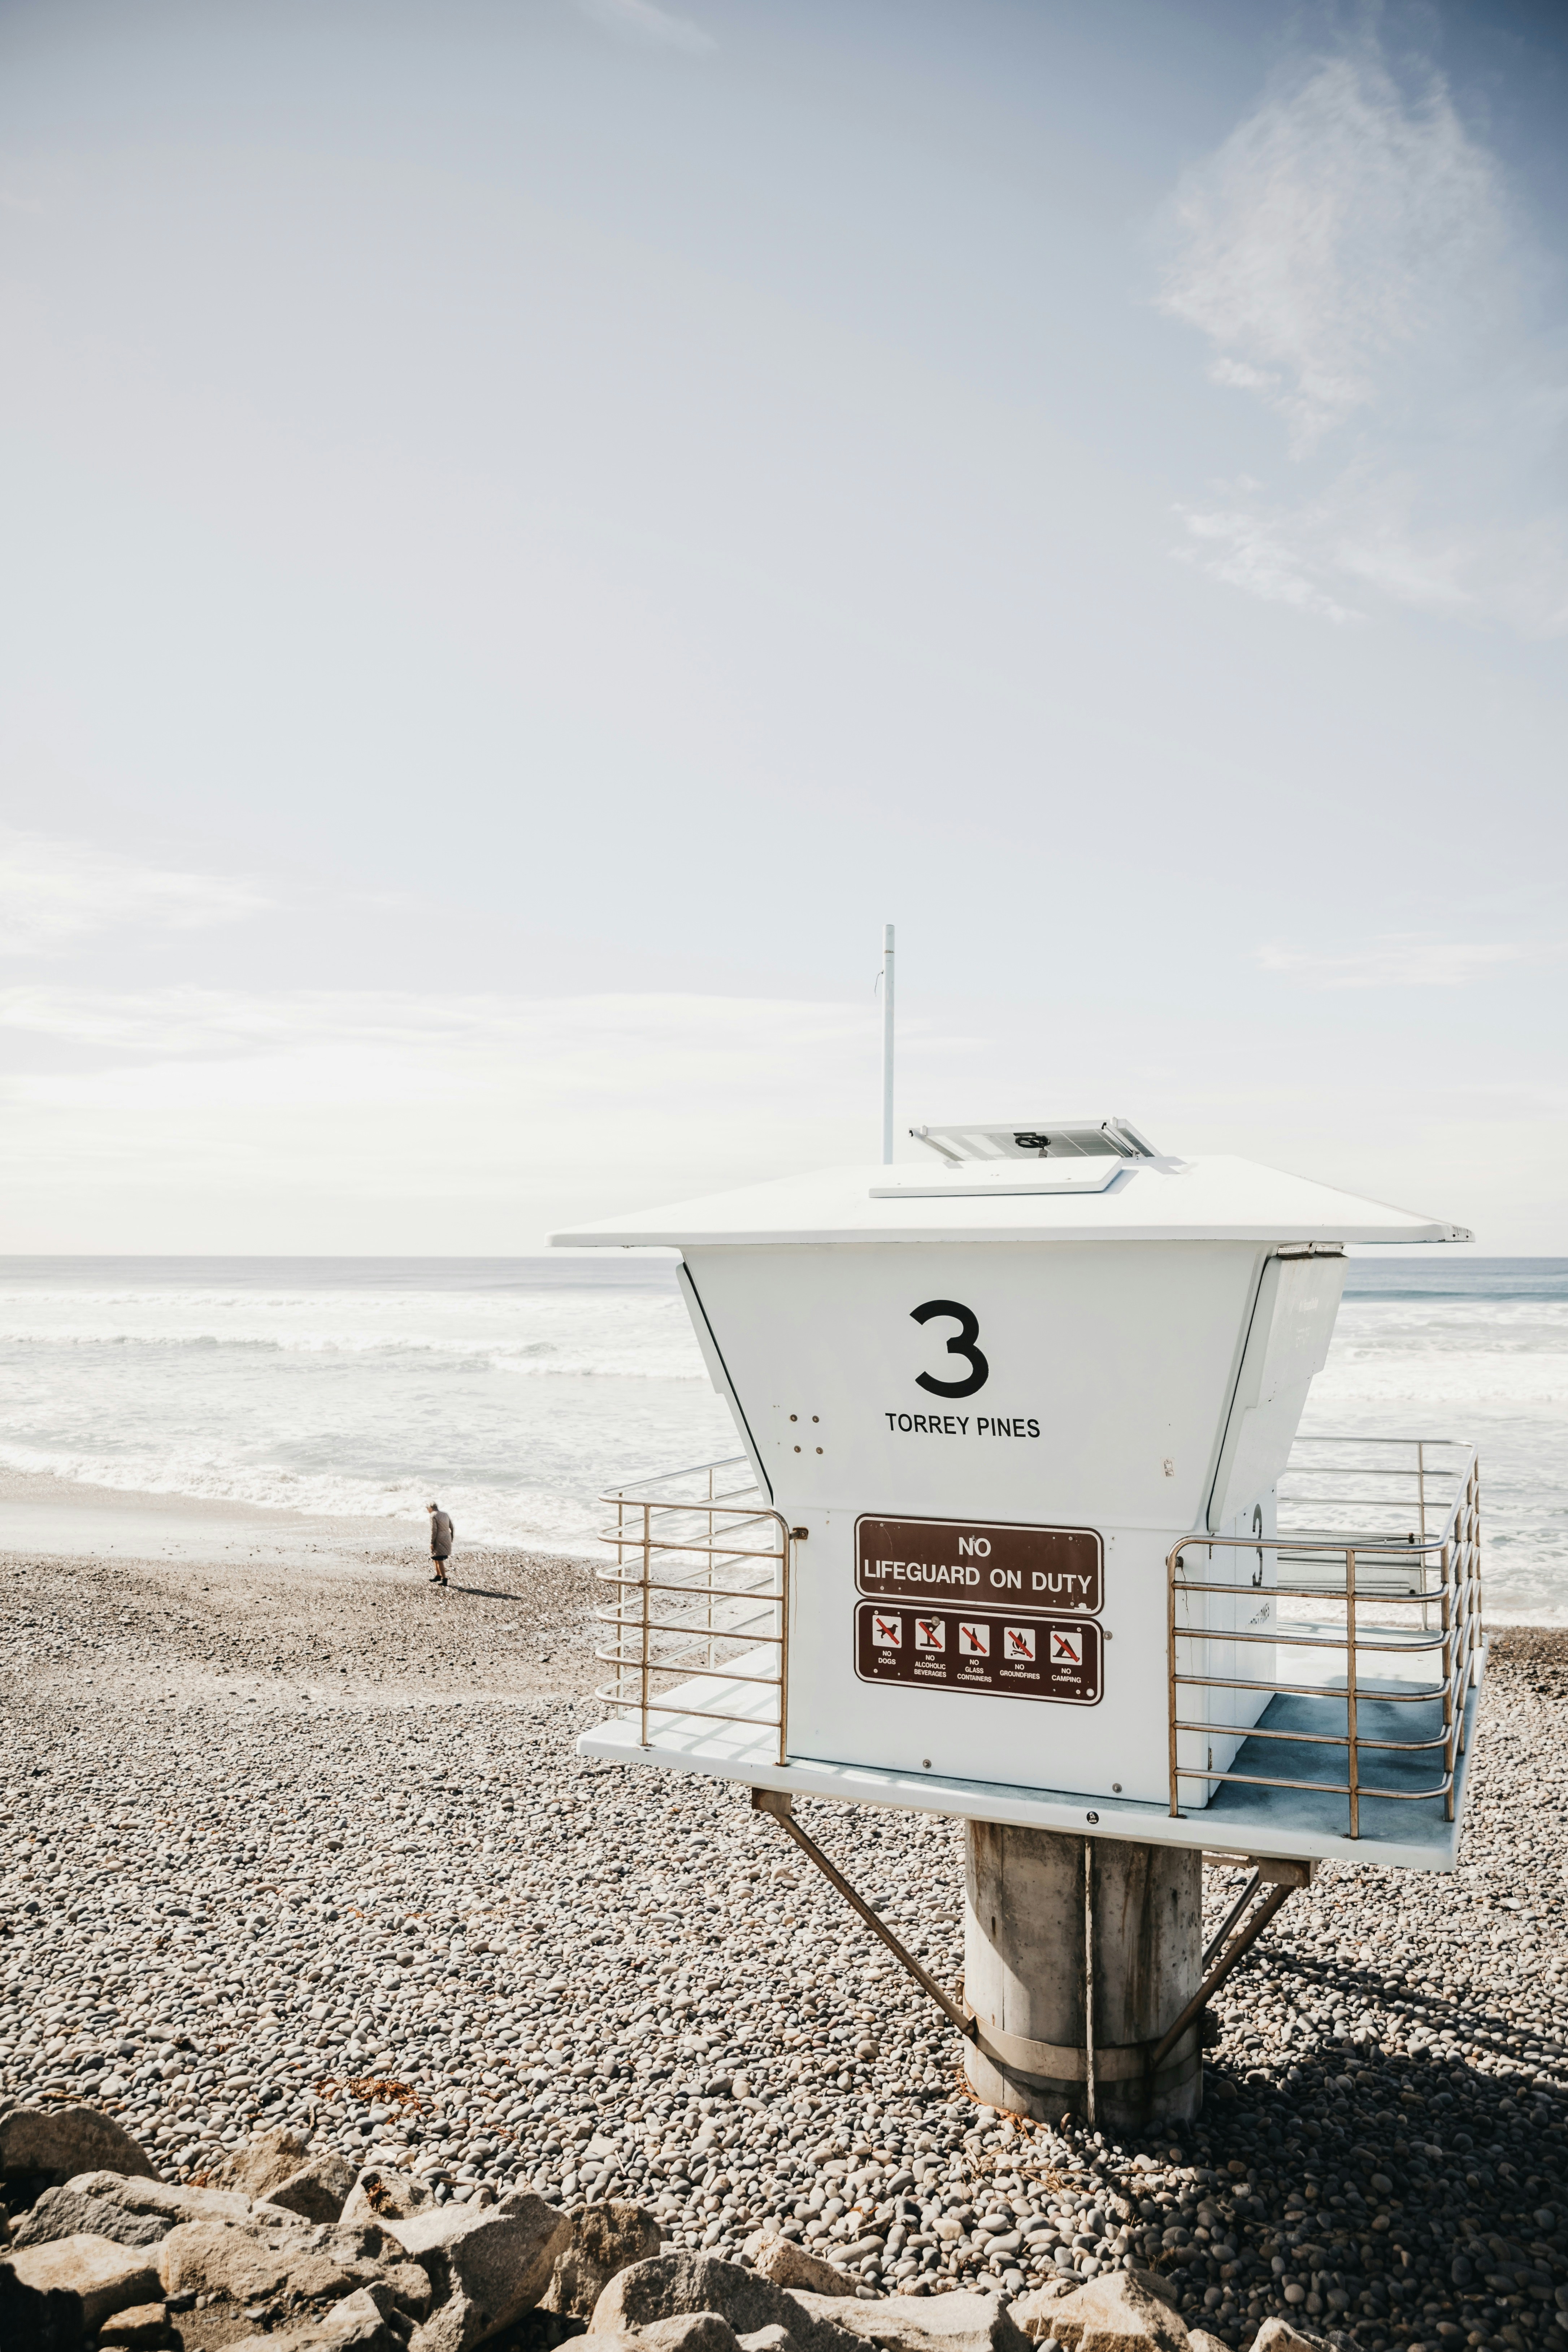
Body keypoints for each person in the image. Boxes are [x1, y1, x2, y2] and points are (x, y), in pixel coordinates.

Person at [427, 1501, 454, 1585]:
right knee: (435, 1557)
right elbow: (452, 1527)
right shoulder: (445, 1514)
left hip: (439, 1539)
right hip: (447, 1537)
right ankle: (438, 1575)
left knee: (439, 1559)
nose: (427, 1510)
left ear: (431, 1508)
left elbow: (434, 1530)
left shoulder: (433, 1515)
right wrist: (452, 1538)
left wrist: (432, 1542)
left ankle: (444, 1580)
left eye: (428, 1508)